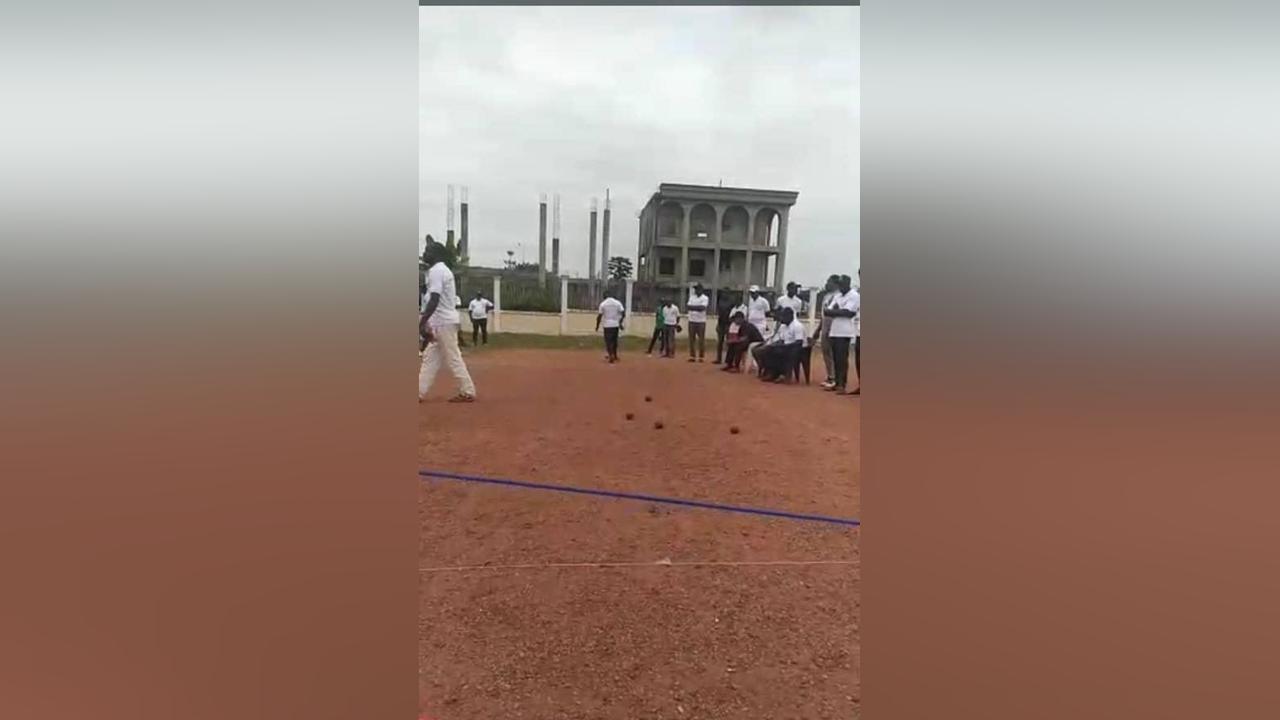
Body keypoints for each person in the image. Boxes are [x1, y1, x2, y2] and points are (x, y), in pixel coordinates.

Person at [418, 243, 476, 403]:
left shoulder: (437, 271)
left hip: (444, 322)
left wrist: (422, 322)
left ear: (436, 254)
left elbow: (435, 298)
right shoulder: (438, 271)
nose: (424, 254)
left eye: (427, 251)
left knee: (453, 357)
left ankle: (468, 391)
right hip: (440, 322)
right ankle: (419, 391)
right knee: (430, 358)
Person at [823, 274, 859, 395]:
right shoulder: (837, 295)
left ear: (848, 283)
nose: (840, 287)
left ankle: (842, 385)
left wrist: (835, 311)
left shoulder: (854, 295)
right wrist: (837, 311)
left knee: (842, 359)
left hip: (845, 331)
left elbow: (849, 313)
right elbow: (826, 311)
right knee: (835, 358)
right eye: (839, 284)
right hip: (834, 330)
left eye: (842, 284)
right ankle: (837, 383)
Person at [756, 307, 807, 382]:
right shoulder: (783, 326)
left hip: (797, 349)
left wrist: (784, 346)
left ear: (789, 316)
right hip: (786, 346)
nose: (780, 318)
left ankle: (781, 374)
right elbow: (782, 340)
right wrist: (774, 344)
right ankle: (772, 373)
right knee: (767, 350)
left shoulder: (797, 326)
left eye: (782, 316)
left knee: (778, 352)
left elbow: (799, 342)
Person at [818, 274, 841, 388]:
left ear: (835, 283)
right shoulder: (826, 296)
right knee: (825, 351)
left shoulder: (838, 296)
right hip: (825, 324)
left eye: (829, 281)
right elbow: (823, 314)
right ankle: (830, 375)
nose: (827, 283)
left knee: (833, 352)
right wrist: (818, 329)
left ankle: (835, 377)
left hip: (833, 324)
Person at [595, 289, 626, 363]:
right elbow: (623, 313)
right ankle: (615, 355)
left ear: (605, 296)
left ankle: (611, 354)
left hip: (607, 325)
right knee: (614, 341)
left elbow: (599, 316)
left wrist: (597, 326)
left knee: (608, 341)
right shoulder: (617, 303)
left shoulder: (603, 304)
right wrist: (620, 322)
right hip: (615, 324)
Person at [686, 283, 710, 362]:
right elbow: (688, 307)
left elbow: (702, 308)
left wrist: (693, 308)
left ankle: (701, 357)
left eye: (697, 289)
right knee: (691, 339)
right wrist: (696, 308)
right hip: (691, 320)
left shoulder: (705, 298)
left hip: (701, 321)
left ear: (701, 290)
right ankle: (692, 356)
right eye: (695, 289)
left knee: (701, 340)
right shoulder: (692, 297)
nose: (696, 290)